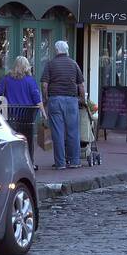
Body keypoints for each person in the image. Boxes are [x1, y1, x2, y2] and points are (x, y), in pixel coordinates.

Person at [40, 41, 85, 170]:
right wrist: (81, 98)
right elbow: (81, 85)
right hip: (71, 100)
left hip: (55, 99)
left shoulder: (50, 64)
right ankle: (75, 161)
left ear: (56, 50)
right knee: (73, 131)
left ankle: (60, 163)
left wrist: (46, 98)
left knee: (57, 133)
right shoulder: (73, 63)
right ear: (67, 50)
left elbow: (44, 84)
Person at [0, 56, 44, 170]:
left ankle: (12, 164)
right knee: (28, 141)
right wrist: (43, 113)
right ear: (27, 67)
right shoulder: (30, 81)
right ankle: (30, 163)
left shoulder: (7, 79)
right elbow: (37, 98)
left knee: (12, 141)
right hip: (27, 117)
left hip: (11, 117)